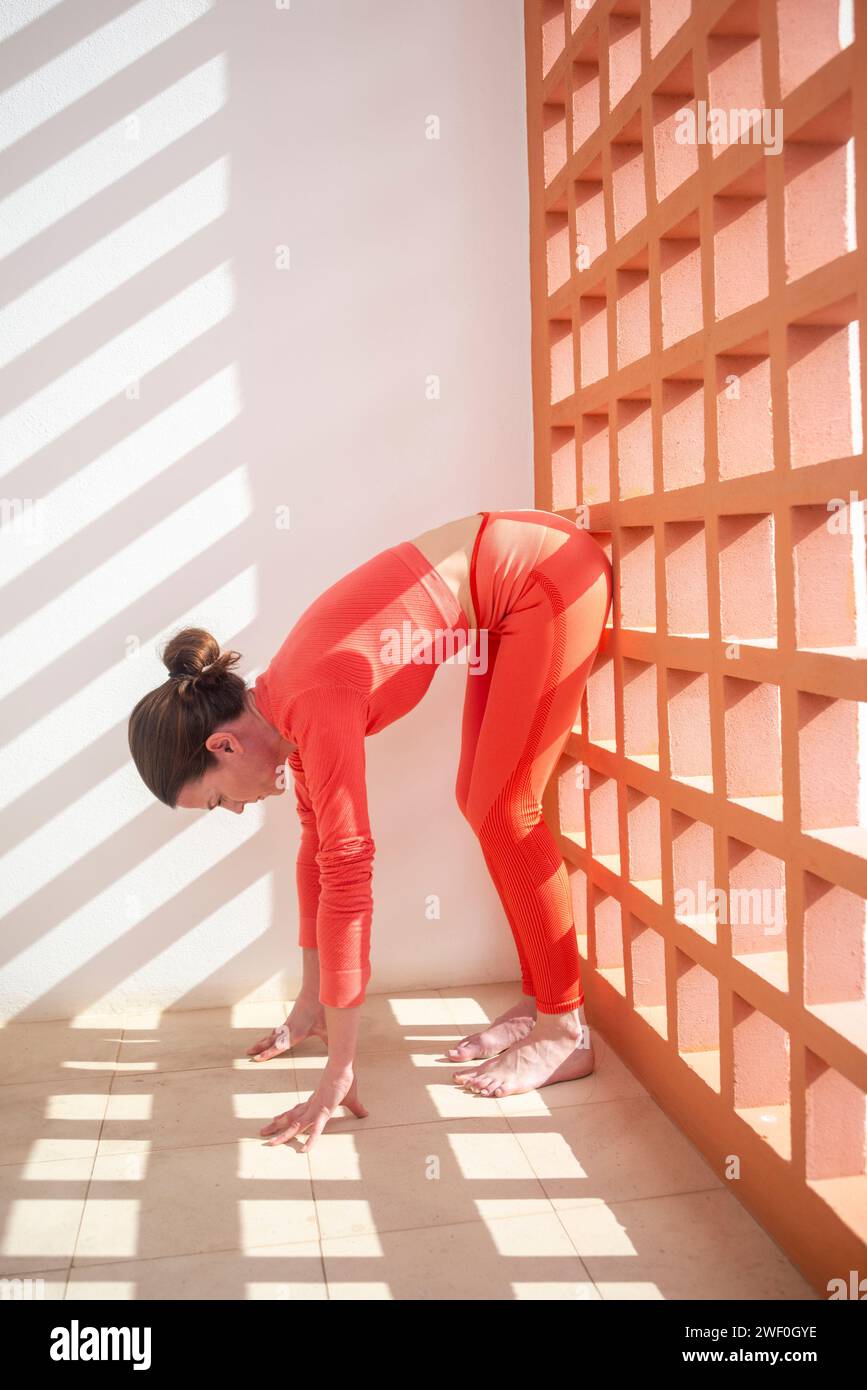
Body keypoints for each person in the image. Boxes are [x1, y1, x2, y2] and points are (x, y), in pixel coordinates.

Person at [127, 509, 612, 1150]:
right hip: (505, 600)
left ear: (223, 746)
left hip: (549, 576)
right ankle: (542, 1003)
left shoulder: (314, 701)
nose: (238, 811)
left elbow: (349, 872)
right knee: (482, 800)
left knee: (502, 806)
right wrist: (311, 1003)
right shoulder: (281, 714)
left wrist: (339, 1073)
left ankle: (564, 1029)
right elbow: (316, 850)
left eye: (216, 801)